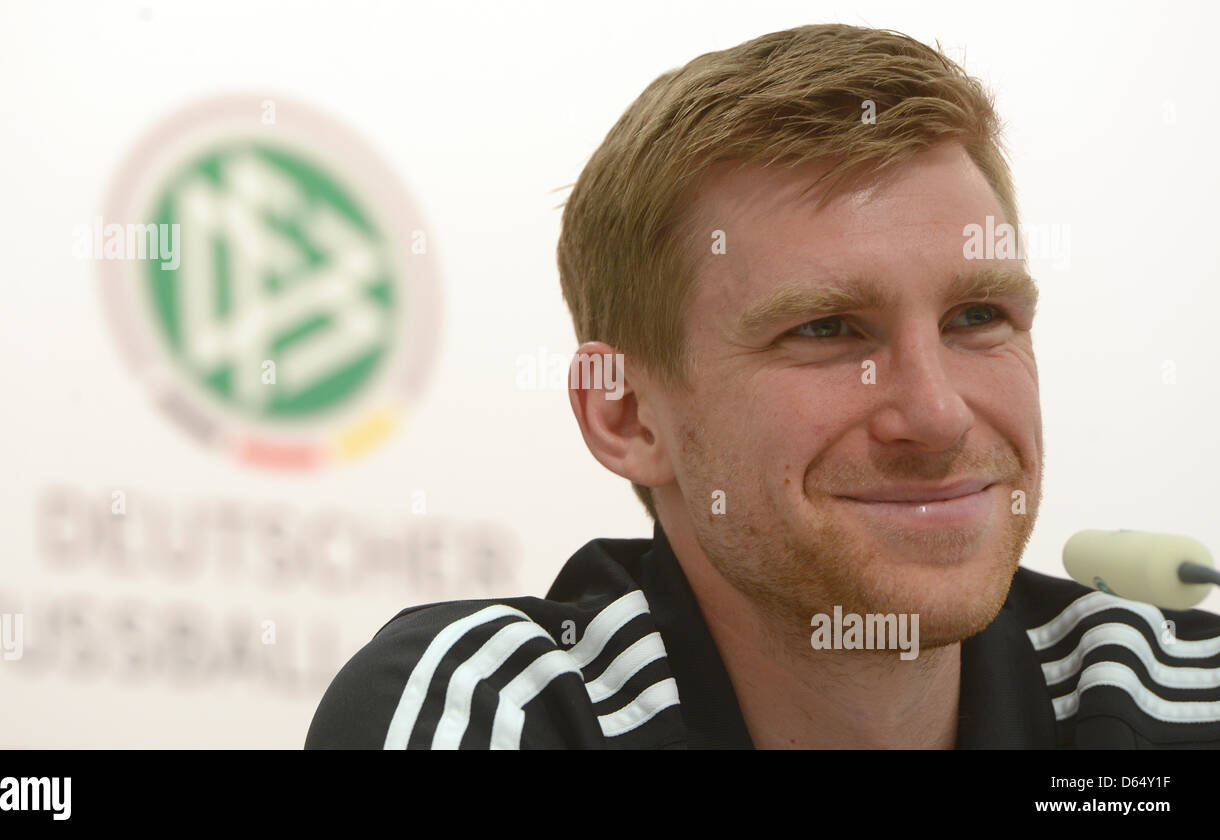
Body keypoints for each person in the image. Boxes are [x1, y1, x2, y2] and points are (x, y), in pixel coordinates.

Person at [306, 23, 1220, 749]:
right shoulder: (499, 707)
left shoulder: (1175, 700)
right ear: (625, 414)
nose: (937, 415)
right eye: (826, 330)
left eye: (978, 317)